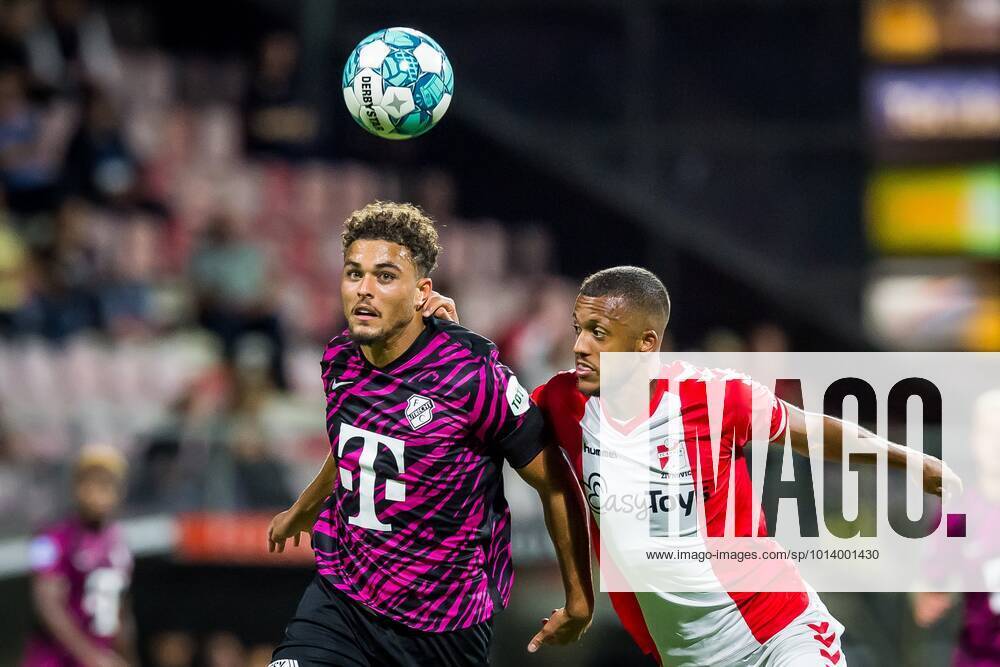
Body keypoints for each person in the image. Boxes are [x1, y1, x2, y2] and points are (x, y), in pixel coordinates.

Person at [435, 265, 961, 666]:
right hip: (684, 655)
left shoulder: (713, 396)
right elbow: (484, 409)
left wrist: (912, 463)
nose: (579, 346)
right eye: (578, 329)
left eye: (599, 332)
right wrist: (447, 345)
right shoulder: (562, 402)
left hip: (780, 635)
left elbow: (811, 433)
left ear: (646, 344)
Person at [266, 202, 593, 666]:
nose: (363, 290)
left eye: (384, 276)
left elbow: (556, 483)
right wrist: (304, 507)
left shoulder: (473, 376)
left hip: (443, 624)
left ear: (422, 292)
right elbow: (356, 446)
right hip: (342, 598)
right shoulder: (339, 358)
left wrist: (579, 598)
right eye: (353, 273)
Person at [21, 443, 135, 667]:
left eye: (106, 484)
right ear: (76, 486)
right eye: (90, 482)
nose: (97, 492)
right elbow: (48, 605)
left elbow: (119, 610)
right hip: (55, 660)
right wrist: (91, 657)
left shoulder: (119, 542)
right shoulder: (51, 538)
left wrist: (124, 656)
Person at [913, 389, 1000, 666]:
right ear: (975, 440)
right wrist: (927, 594)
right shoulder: (958, 514)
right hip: (979, 658)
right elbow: (929, 587)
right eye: (989, 430)